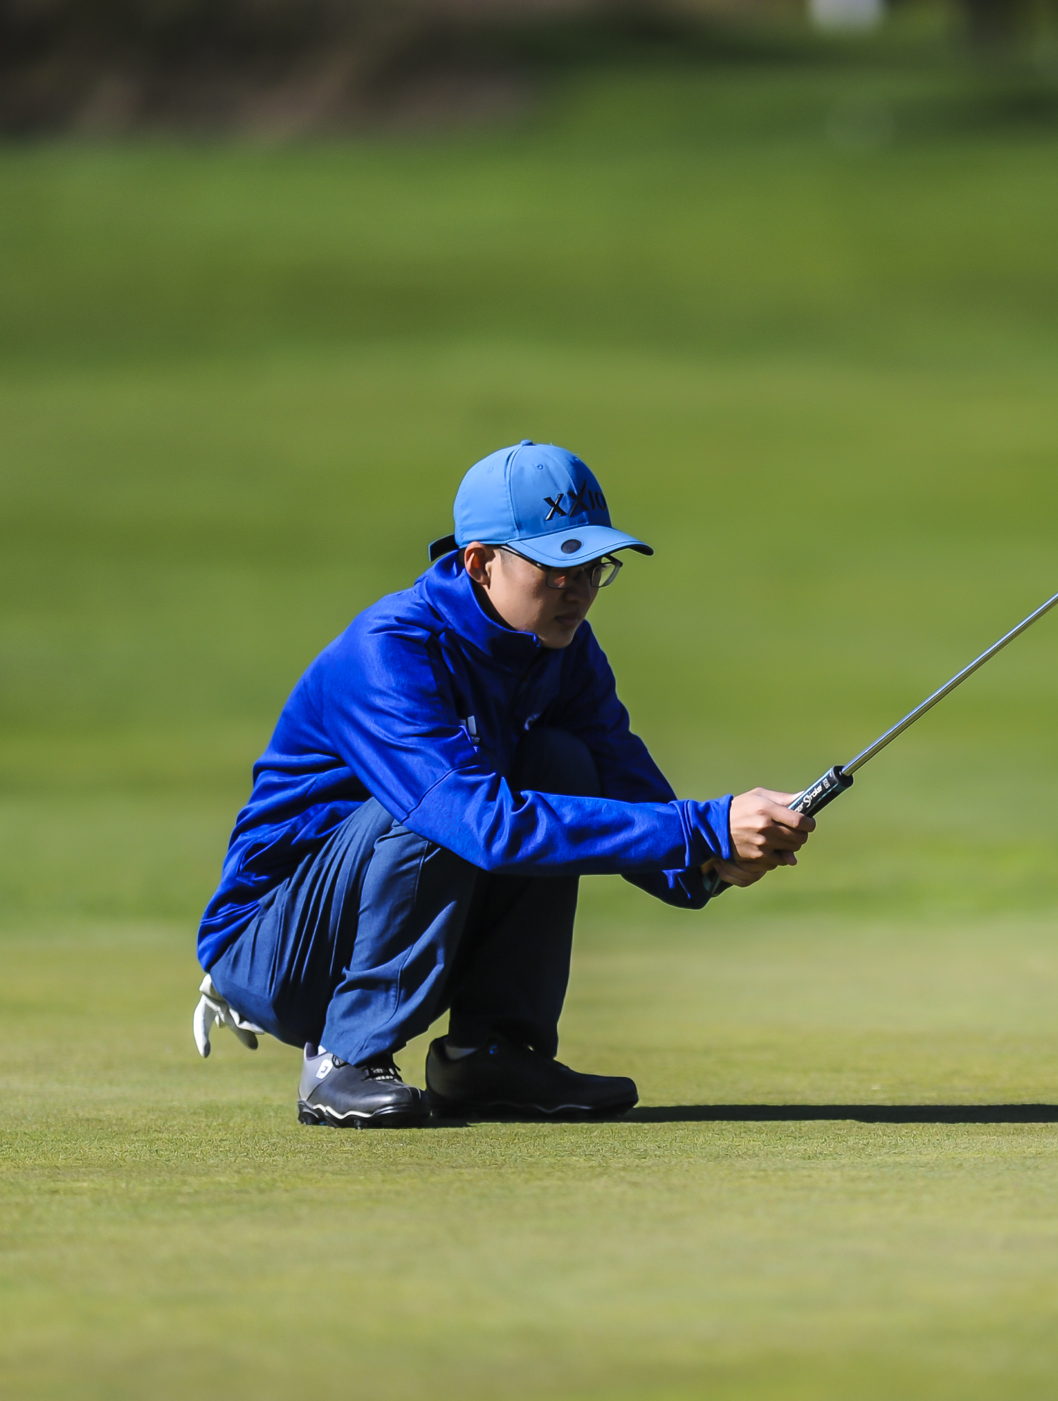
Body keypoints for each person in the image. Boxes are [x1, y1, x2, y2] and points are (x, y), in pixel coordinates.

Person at [190, 441, 814, 1128]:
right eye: (555, 565)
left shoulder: (565, 650)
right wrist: (702, 825)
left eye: (591, 566)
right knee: (439, 812)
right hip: (274, 947)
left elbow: (625, 786)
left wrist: (707, 864)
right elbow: (480, 826)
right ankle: (343, 1058)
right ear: (480, 563)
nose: (577, 589)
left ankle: (490, 1055)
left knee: (562, 763)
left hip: (412, 911)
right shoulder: (389, 652)